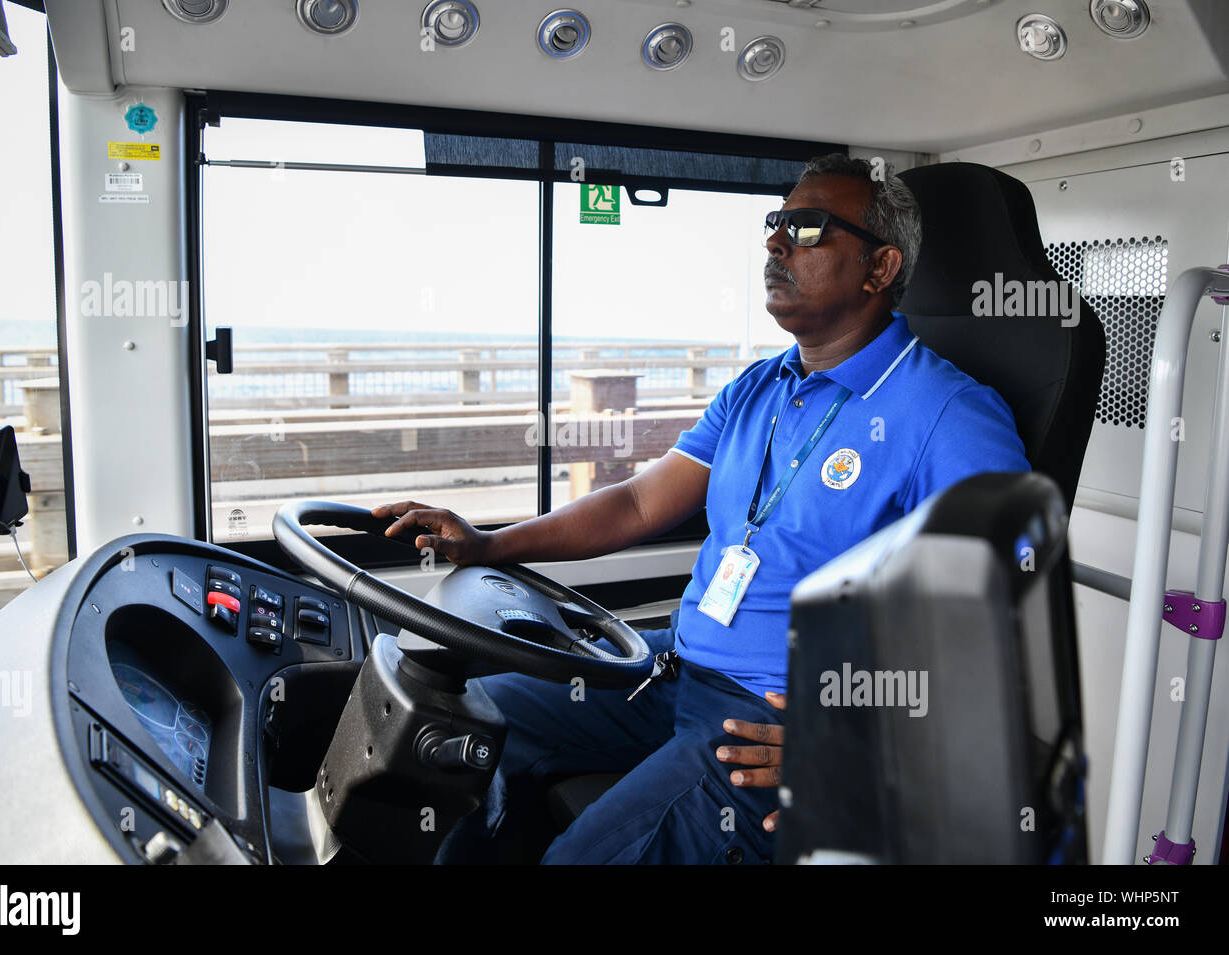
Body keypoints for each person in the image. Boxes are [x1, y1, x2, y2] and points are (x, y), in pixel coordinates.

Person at [371, 153, 1031, 864]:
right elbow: (634, 501)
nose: (775, 244)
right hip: (674, 667)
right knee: (471, 722)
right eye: (776, 223)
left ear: (880, 268)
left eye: (808, 229)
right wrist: (491, 544)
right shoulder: (758, 388)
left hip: (770, 719)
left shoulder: (949, 414)